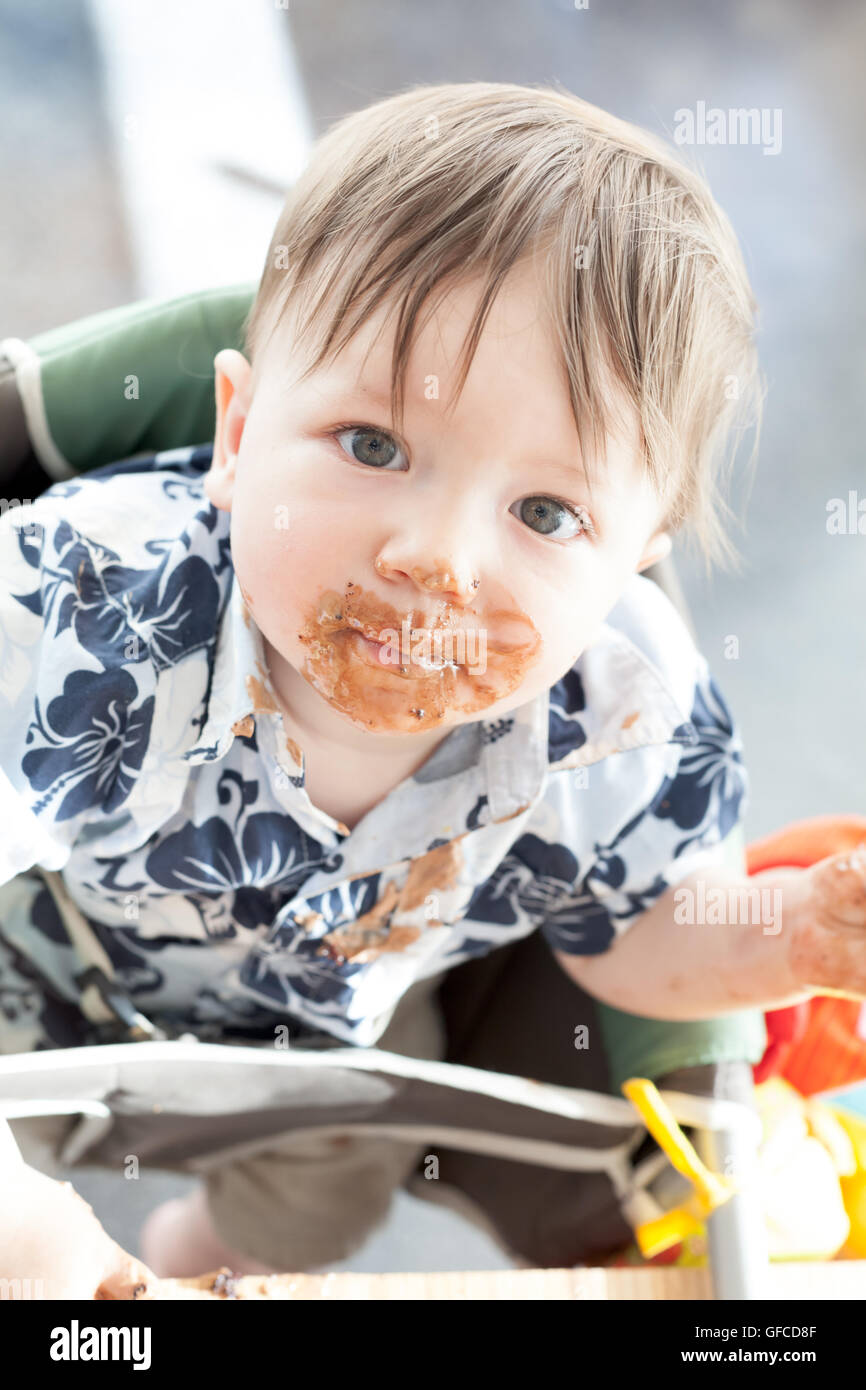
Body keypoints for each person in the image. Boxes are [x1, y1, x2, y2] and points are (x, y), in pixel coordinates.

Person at [2, 81, 864, 1294]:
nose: (437, 563)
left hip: (317, 1040)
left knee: (321, 1207)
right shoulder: (88, 607)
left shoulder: (617, 718)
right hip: (34, 976)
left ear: (633, 556)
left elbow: (637, 946)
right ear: (238, 436)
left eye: (546, 512)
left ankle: (205, 1252)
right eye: (372, 446)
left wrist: (790, 937)